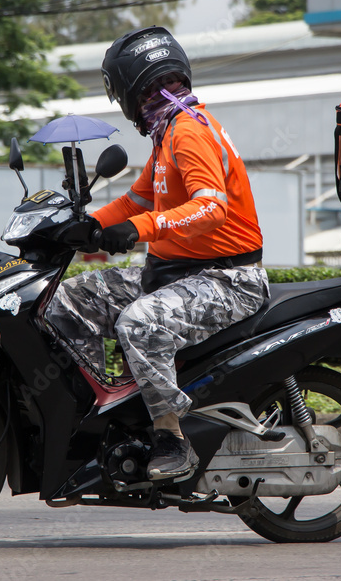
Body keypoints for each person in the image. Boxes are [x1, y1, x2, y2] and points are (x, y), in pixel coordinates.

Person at [46, 26, 269, 481]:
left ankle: (171, 438)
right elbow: (138, 202)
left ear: (130, 91)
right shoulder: (168, 132)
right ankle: (104, 414)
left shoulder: (189, 133)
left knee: (140, 323)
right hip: (175, 272)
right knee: (68, 301)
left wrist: (136, 231)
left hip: (226, 279)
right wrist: (86, 226)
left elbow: (210, 208)